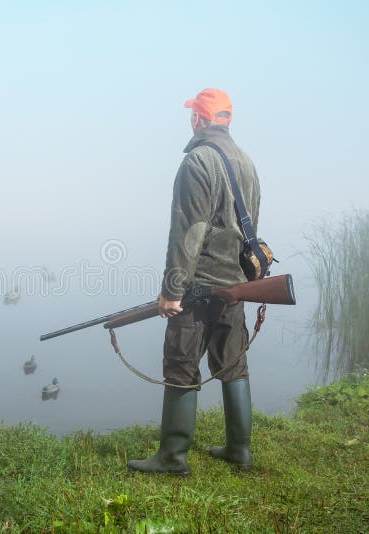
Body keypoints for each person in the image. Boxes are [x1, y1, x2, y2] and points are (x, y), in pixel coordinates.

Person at [128, 88, 260, 475]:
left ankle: (172, 457)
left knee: (182, 366)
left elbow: (188, 232)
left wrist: (171, 290)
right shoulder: (247, 162)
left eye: (193, 115)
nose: (192, 120)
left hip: (199, 287)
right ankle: (240, 450)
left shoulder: (198, 161)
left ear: (198, 119)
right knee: (233, 364)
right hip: (234, 286)